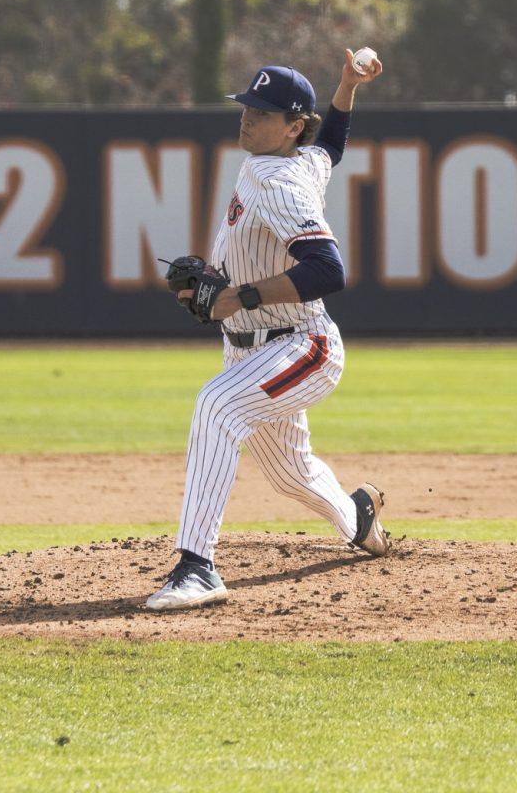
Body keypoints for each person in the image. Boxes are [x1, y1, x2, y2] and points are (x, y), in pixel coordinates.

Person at [146, 49, 389, 611]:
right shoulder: (298, 159)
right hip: (250, 348)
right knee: (291, 473)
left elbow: (329, 271)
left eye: (263, 111)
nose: (248, 117)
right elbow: (331, 146)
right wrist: (347, 86)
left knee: (217, 407)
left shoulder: (279, 180)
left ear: (291, 127)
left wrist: (237, 295)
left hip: (303, 345)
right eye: (248, 106)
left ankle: (197, 566)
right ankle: (357, 516)